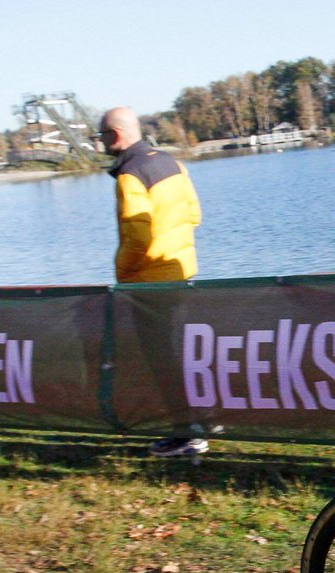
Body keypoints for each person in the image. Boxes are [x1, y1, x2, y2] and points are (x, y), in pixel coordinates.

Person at [99, 107, 207, 458]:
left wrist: (123, 276)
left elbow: (136, 236)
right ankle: (196, 425)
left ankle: (186, 435)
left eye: (101, 136)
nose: (100, 143)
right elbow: (194, 214)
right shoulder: (172, 163)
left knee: (164, 359)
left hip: (148, 283)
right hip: (181, 273)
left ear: (114, 135)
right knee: (177, 354)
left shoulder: (131, 174)